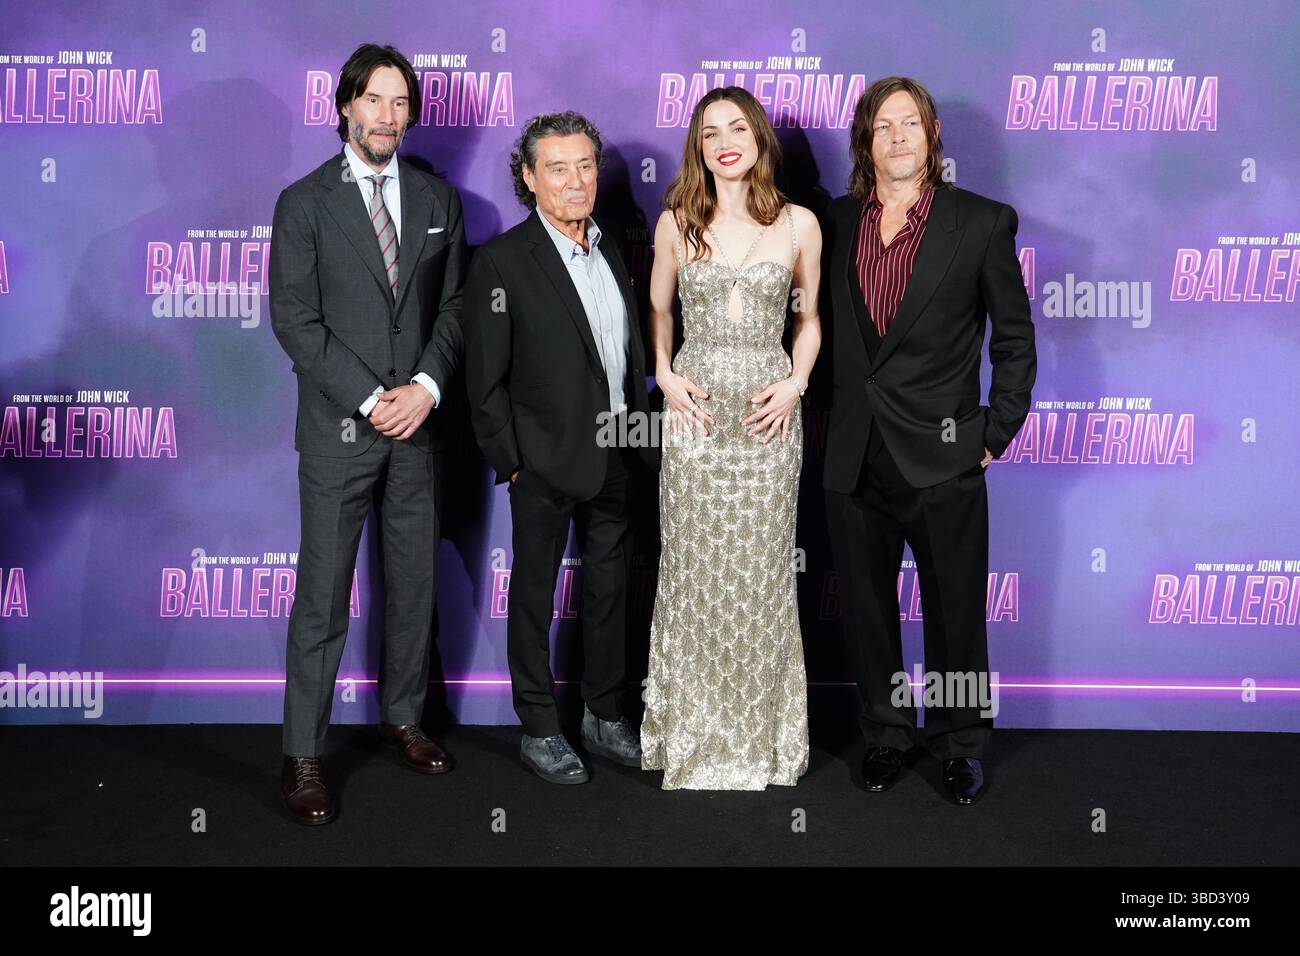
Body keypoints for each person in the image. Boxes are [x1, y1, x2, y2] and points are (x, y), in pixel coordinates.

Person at [822, 77, 1035, 805]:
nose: (898, 137)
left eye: (910, 123)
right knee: (867, 610)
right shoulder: (834, 222)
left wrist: (994, 433)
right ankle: (886, 734)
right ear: (866, 140)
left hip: (944, 454)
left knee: (955, 612)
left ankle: (960, 742)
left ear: (932, 134)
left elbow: (1015, 339)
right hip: (853, 453)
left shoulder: (980, 223)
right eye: (883, 125)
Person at [269, 43, 466, 824]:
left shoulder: (438, 199)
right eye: (375, 99)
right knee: (322, 597)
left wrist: (425, 388)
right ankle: (303, 754)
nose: (388, 115)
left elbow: (455, 308)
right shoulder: (303, 203)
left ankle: (404, 719)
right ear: (346, 105)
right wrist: (369, 396)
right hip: (338, 429)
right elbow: (295, 319)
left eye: (400, 102)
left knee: (413, 584)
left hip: (419, 425)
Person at [640, 87, 822, 790]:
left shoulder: (800, 224)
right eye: (710, 131)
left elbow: (809, 319)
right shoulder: (677, 222)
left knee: (762, 576)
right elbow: (659, 310)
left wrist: (796, 382)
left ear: (759, 138)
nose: (724, 142)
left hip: (768, 420)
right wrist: (664, 373)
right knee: (694, 575)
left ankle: (762, 742)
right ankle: (692, 736)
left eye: (737, 128)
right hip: (697, 418)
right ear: (697, 145)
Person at [464, 112, 651, 785]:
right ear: (530, 177)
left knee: (610, 593)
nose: (576, 182)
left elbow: (623, 356)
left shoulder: (612, 249)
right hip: (541, 464)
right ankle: (539, 726)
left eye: (586, 166)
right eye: (558, 168)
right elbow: (484, 380)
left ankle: (604, 714)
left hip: (619, 452)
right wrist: (513, 463)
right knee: (534, 598)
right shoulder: (502, 261)